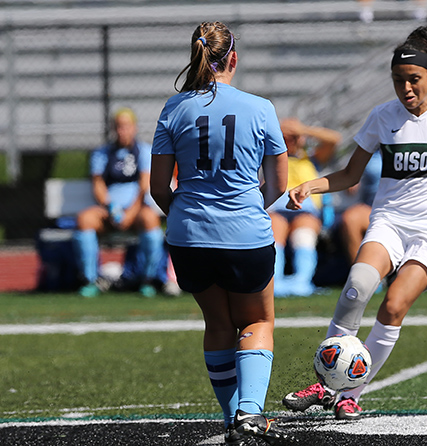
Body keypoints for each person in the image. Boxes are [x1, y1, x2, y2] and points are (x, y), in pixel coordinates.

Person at [280, 26, 427, 420]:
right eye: (399, 81)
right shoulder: (381, 117)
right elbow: (350, 173)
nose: (407, 89)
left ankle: (352, 392)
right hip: (390, 220)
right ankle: (325, 382)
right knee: (357, 286)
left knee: (394, 306)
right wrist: (311, 185)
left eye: (414, 80)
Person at [149, 21, 292, 445]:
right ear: (233, 58)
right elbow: (279, 184)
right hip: (245, 233)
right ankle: (249, 413)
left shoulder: (173, 108)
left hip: (188, 236)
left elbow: (159, 187)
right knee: (257, 320)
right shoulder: (260, 107)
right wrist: (242, 211)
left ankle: (232, 418)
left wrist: (188, 217)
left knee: (217, 323)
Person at [72, 108, 165, 298]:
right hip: (109, 212)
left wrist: (131, 211)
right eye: (119, 127)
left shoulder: (144, 151)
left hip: (136, 210)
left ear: (134, 128)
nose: (123, 131)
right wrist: (111, 207)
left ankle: (148, 279)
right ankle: (91, 279)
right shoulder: (102, 153)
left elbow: (144, 185)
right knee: (84, 220)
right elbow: (98, 183)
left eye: (126, 127)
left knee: (151, 220)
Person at [268, 117, 341, 297]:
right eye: (286, 137)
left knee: (304, 233)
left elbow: (334, 139)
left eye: (293, 137)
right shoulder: (268, 157)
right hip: (276, 210)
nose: (290, 140)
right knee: (274, 229)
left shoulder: (312, 158)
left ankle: (302, 281)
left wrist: (303, 129)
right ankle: (274, 282)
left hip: (305, 210)